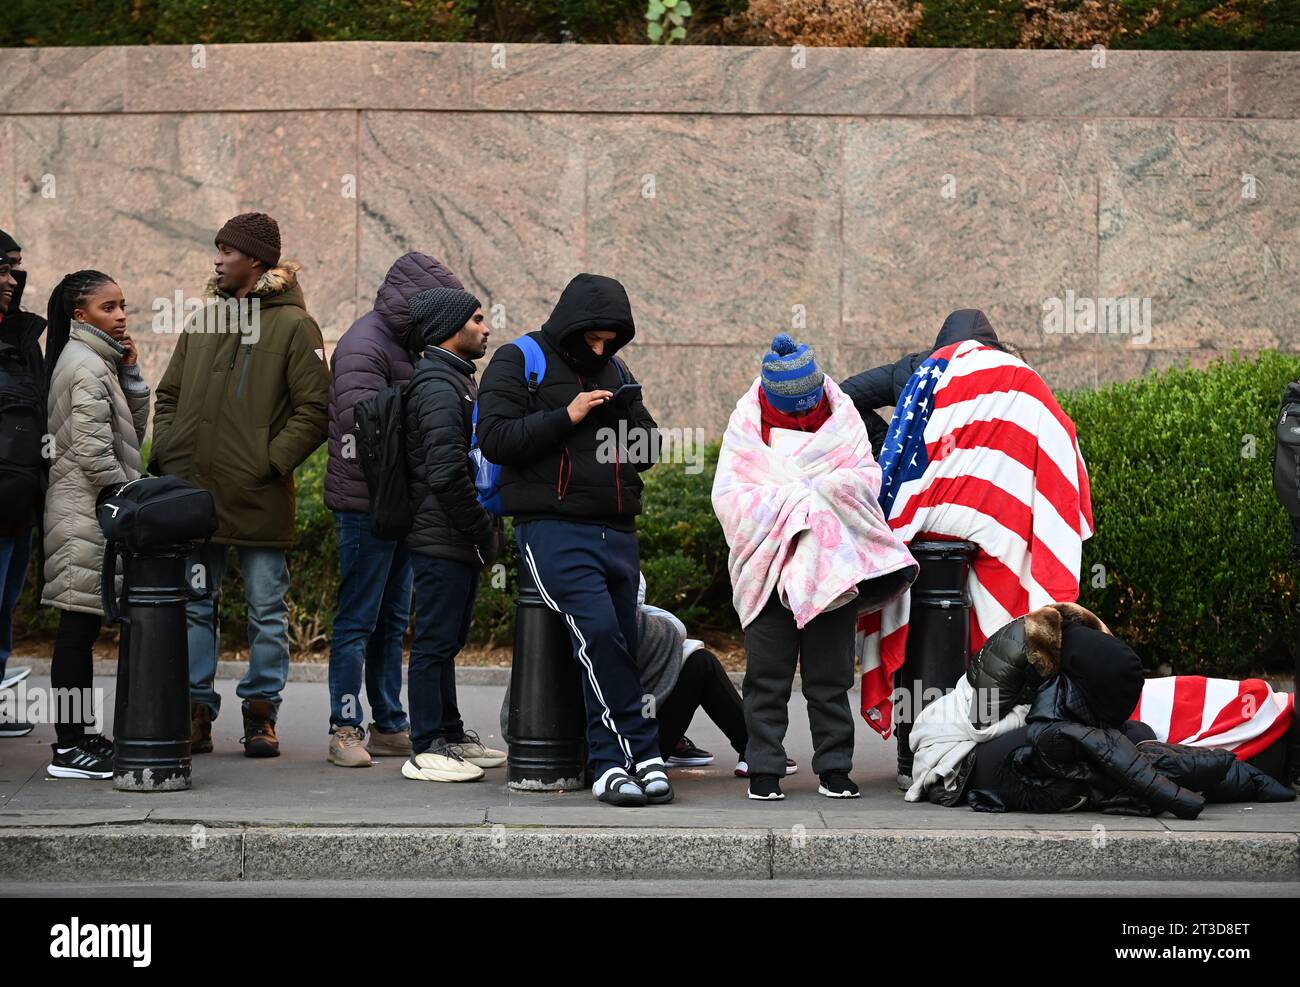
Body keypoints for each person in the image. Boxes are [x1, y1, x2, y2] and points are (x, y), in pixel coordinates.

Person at [476, 273, 668, 807]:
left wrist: (623, 419)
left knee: (620, 642)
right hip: (552, 526)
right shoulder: (519, 360)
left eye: (611, 339)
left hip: (617, 527)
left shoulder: (617, 369)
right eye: (593, 337)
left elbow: (648, 447)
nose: (601, 347)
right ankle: (627, 758)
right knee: (599, 635)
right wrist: (569, 414)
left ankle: (624, 760)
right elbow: (495, 439)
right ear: (572, 324)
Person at [151, 212, 329, 758]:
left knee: (265, 610)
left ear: (255, 260)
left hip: (257, 496)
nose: (217, 258)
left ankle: (260, 714)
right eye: (217, 249)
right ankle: (197, 710)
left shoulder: (297, 327)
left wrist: (267, 463)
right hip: (195, 498)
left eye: (226, 249)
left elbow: (316, 410)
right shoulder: (203, 320)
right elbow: (167, 397)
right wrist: (168, 454)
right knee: (196, 605)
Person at [712, 333, 916, 802]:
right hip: (770, 567)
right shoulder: (746, 425)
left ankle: (835, 768)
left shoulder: (842, 417)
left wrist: (813, 495)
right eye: (794, 408)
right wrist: (803, 497)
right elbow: (730, 498)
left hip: (833, 568)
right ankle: (763, 767)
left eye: (809, 404)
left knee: (831, 678)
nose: (805, 415)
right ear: (772, 399)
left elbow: (866, 480)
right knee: (767, 677)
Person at [323, 252, 467, 768]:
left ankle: (388, 723)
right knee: (358, 618)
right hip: (366, 504)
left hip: (400, 502)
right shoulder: (365, 344)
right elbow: (364, 435)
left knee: (392, 619)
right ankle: (344, 726)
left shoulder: (409, 342)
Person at [497, 571, 801, 776]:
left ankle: (735, 747)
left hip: (552, 757)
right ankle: (754, 749)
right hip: (625, 758)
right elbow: (677, 632)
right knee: (701, 663)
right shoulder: (637, 627)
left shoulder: (541, 624)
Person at [41, 271, 150, 778]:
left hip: (90, 507)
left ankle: (78, 738)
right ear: (80, 316)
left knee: (80, 629)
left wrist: (131, 373)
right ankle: (68, 748)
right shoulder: (84, 366)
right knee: (76, 629)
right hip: (83, 511)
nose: (122, 314)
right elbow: (91, 450)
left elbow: (131, 432)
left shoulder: (98, 362)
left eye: (123, 305)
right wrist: (122, 493)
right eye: (109, 307)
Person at [399, 286, 506, 784]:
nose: (486, 328)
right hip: (442, 535)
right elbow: (445, 474)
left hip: (453, 535)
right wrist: (482, 531)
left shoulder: (454, 380)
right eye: (478, 319)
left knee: (448, 640)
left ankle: (450, 732)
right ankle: (426, 746)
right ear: (450, 327)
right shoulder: (439, 388)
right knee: (434, 644)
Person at [840, 309, 1004, 456]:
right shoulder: (1011, 388)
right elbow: (840, 399)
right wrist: (887, 448)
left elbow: (840, 398)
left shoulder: (917, 371)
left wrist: (887, 449)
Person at [0, 230, 46, 731]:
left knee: (5, 604)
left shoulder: (21, 337)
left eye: (16, 269)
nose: (12, 281)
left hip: (18, 503)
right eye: (4, 269)